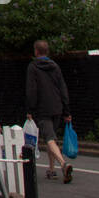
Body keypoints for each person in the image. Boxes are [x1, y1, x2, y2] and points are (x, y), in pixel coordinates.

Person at [25, 40, 73, 183]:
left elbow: (31, 90)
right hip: (57, 107)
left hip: (43, 108)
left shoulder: (33, 67)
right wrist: (66, 111)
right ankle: (51, 170)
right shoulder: (55, 67)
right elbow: (63, 88)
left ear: (36, 51)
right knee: (51, 138)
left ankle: (63, 165)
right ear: (47, 51)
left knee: (49, 138)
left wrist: (30, 109)